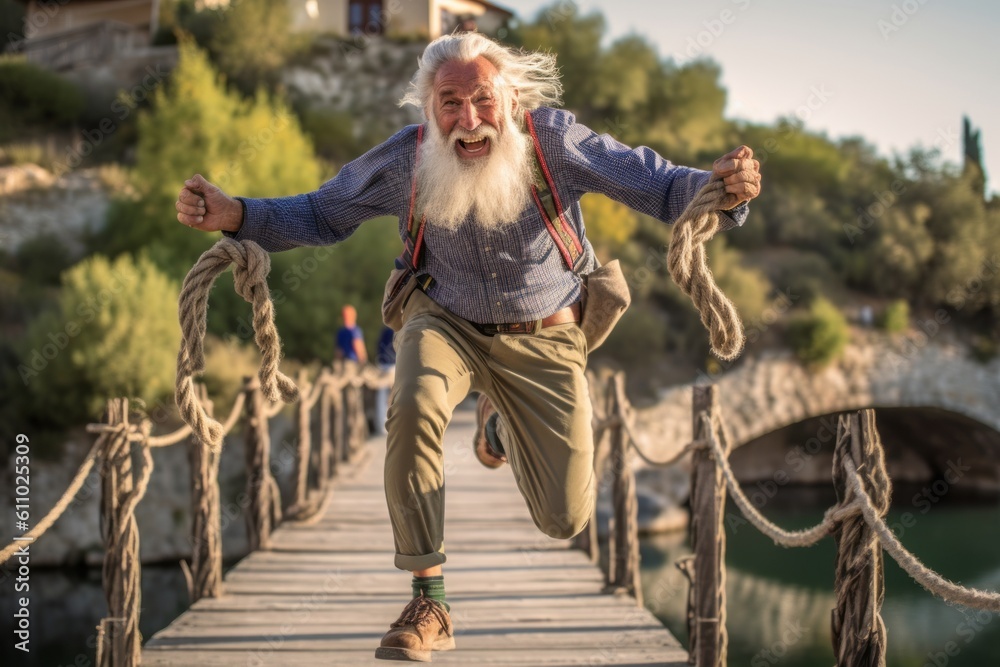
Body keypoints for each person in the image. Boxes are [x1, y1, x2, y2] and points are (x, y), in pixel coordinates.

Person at [175, 32, 761, 662]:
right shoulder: (405, 161)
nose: (469, 119)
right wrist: (237, 214)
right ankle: (430, 599)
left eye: (482, 99)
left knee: (566, 518)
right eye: (449, 102)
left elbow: (657, 184)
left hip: (545, 336)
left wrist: (723, 188)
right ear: (429, 106)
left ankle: (498, 427)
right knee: (415, 400)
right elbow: (322, 213)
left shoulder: (555, 142)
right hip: (442, 321)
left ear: (509, 97)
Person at [375, 324, 396, 435]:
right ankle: (393, 424)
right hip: (393, 367)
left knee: (382, 398)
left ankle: (382, 426)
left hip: (383, 366)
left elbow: (379, 348)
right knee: (394, 397)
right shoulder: (398, 329)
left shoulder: (383, 330)